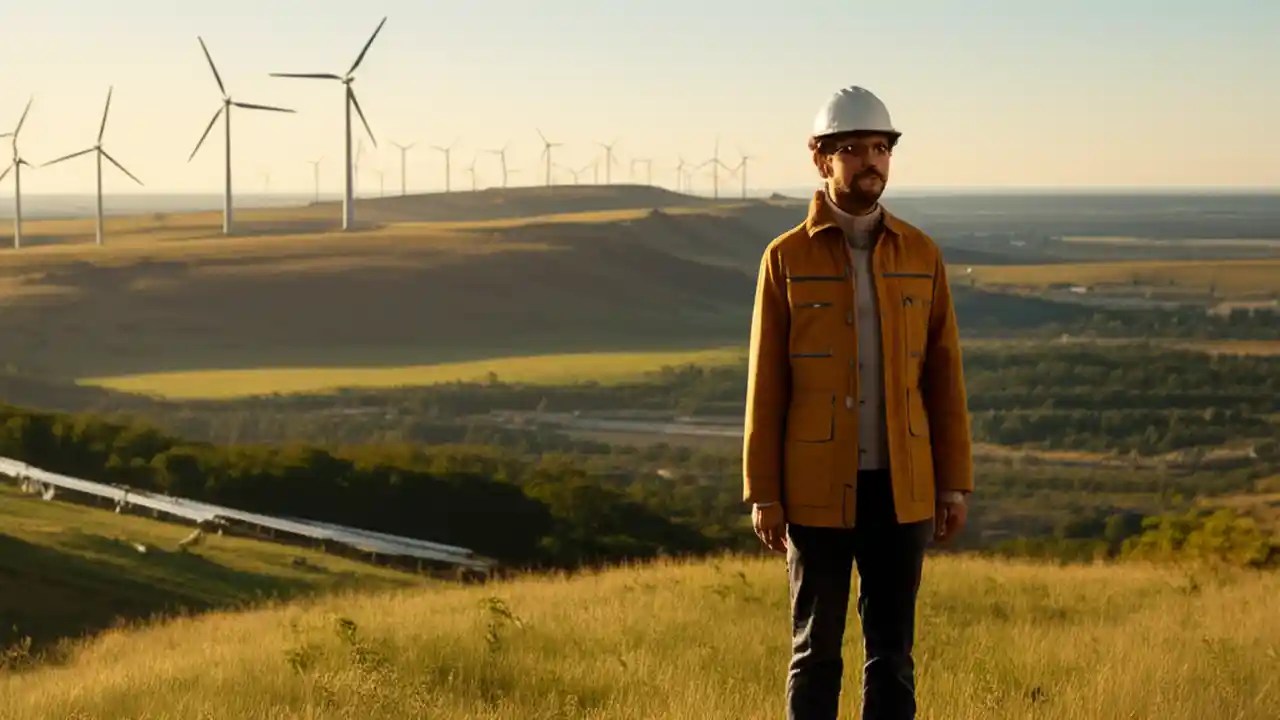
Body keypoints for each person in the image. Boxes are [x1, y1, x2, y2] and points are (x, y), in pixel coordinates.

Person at [742, 85, 974, 720]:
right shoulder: (784, 258)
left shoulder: (922, 254)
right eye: (854, 149)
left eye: (882, 148)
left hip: (902, 487)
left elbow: (944, 378)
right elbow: (766, 385)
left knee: (892, 655)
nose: (871, 161)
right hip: (815, 489)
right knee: (815, 651)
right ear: (821, 159)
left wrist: (953, 484)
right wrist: (764, 491)